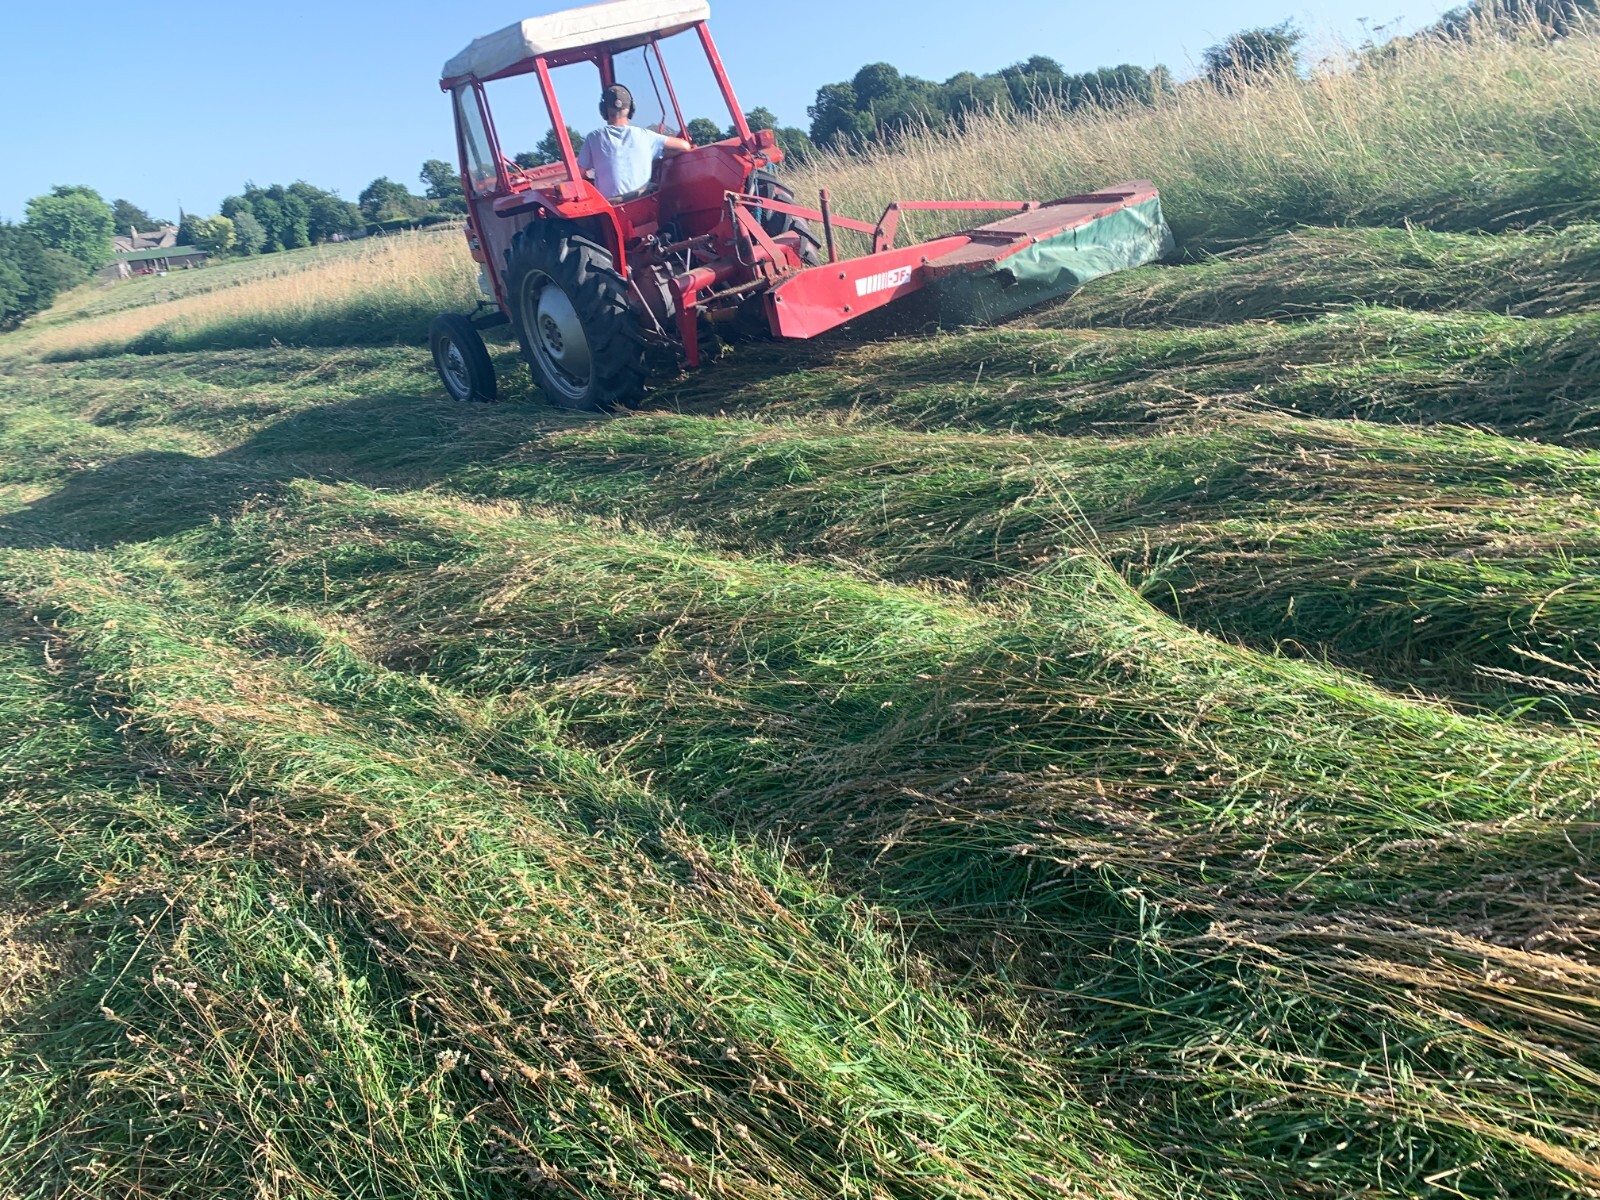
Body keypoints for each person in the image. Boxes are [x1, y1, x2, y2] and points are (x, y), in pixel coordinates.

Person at [577, 84, 691, 199]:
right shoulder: (645, 136)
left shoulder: (593, 138)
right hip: (643, 206)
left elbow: (577, 177)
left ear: (603, 111)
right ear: (632, 110)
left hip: (611, 209)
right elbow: (684, 146)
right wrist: (657, 156)